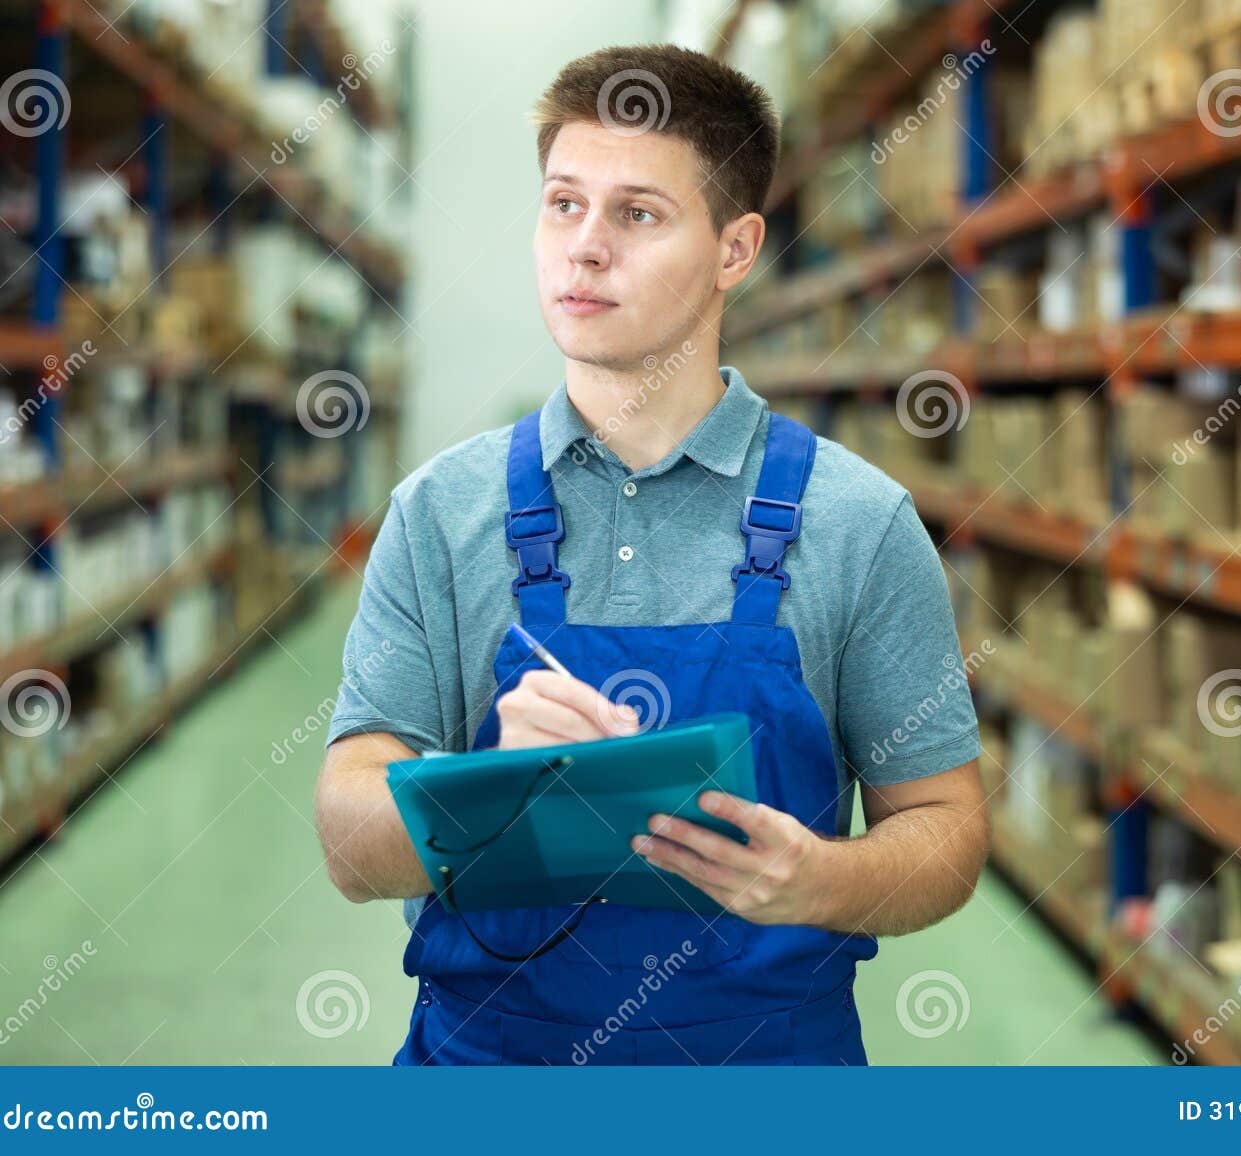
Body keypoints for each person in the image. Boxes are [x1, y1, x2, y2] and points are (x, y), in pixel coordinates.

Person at [314, 42, 986, 1066]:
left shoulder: (859, 521)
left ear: (734, 248)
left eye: (636, 213)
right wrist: (479, 787)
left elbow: (945, 829)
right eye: (561, 204)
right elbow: (349, 847)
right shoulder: (439, 514)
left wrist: (822, 882)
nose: (583, 248)